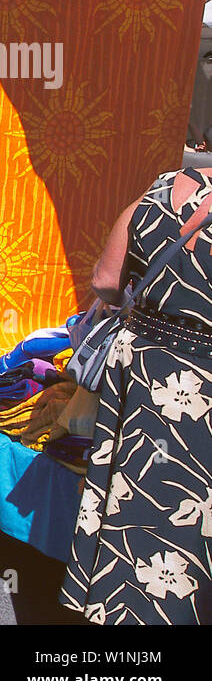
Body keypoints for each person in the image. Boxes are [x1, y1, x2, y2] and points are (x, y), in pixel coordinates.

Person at [60, 166, 212, 625]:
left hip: (143, 369)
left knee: (133, 500)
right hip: (199, 383)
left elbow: (106, 280)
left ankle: (115, 608)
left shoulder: (168, 184)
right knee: (189, 518)